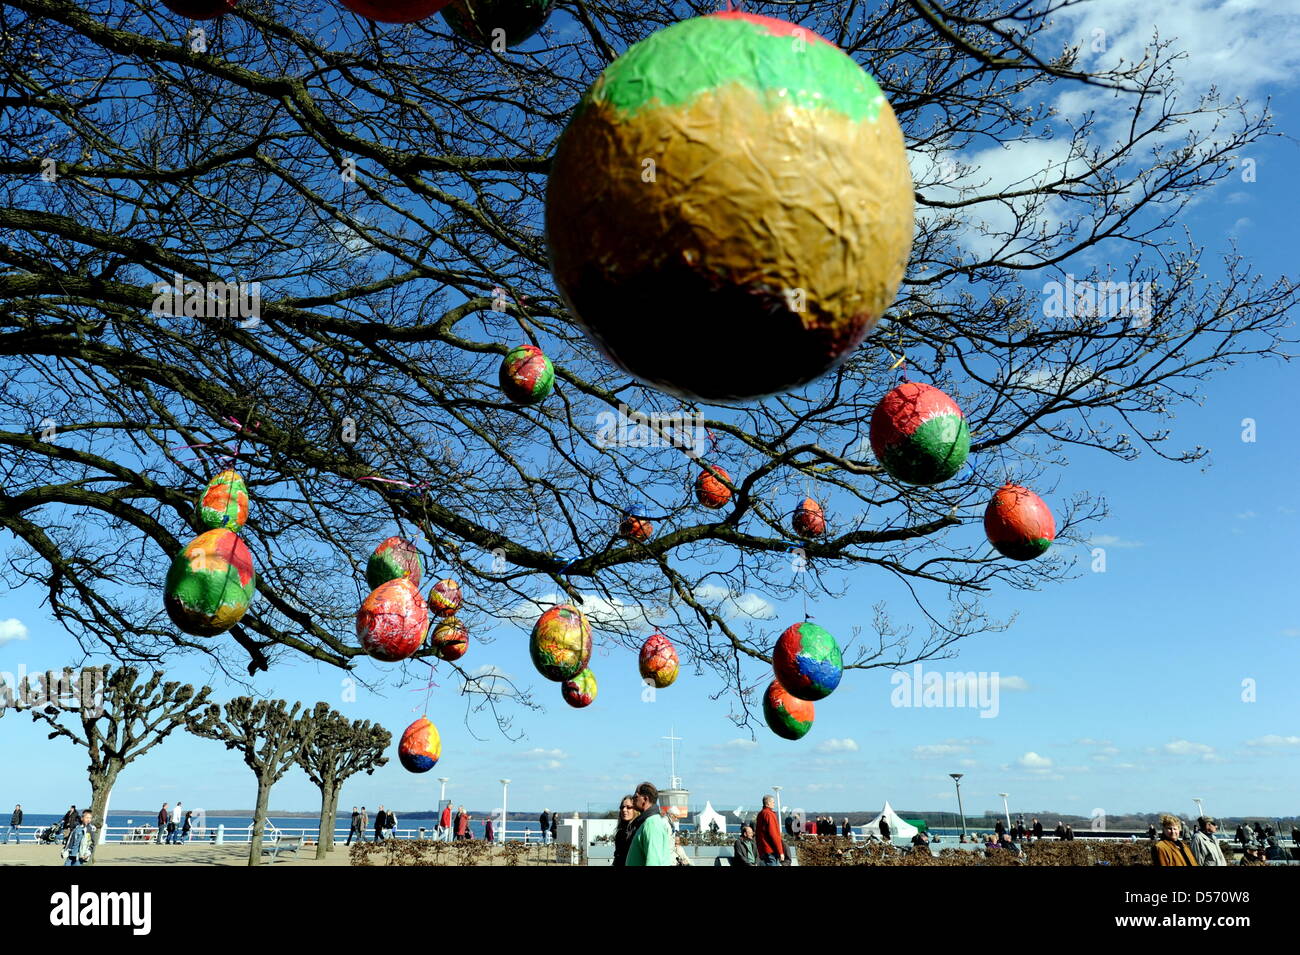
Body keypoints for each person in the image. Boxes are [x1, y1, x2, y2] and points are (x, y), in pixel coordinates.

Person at [624, 782, 673, 866]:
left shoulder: (651, 823)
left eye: (635, 796)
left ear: (645, 799)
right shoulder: (649, 822)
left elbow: (654, 862)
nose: (633, 799)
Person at [754, 794, 784, 866]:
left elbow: (758, 834)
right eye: (773, 802)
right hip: (771, 850)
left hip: (763, 849)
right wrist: (780, 851)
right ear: (768, 803)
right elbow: (773, 834)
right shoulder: (769, 814)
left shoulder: (760, 814)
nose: (774, 804)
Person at [613, 795, 636, 867]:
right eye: (622, 807)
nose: (624, 810)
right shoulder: (620, 832)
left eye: (628, 807)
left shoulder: (638, 831)